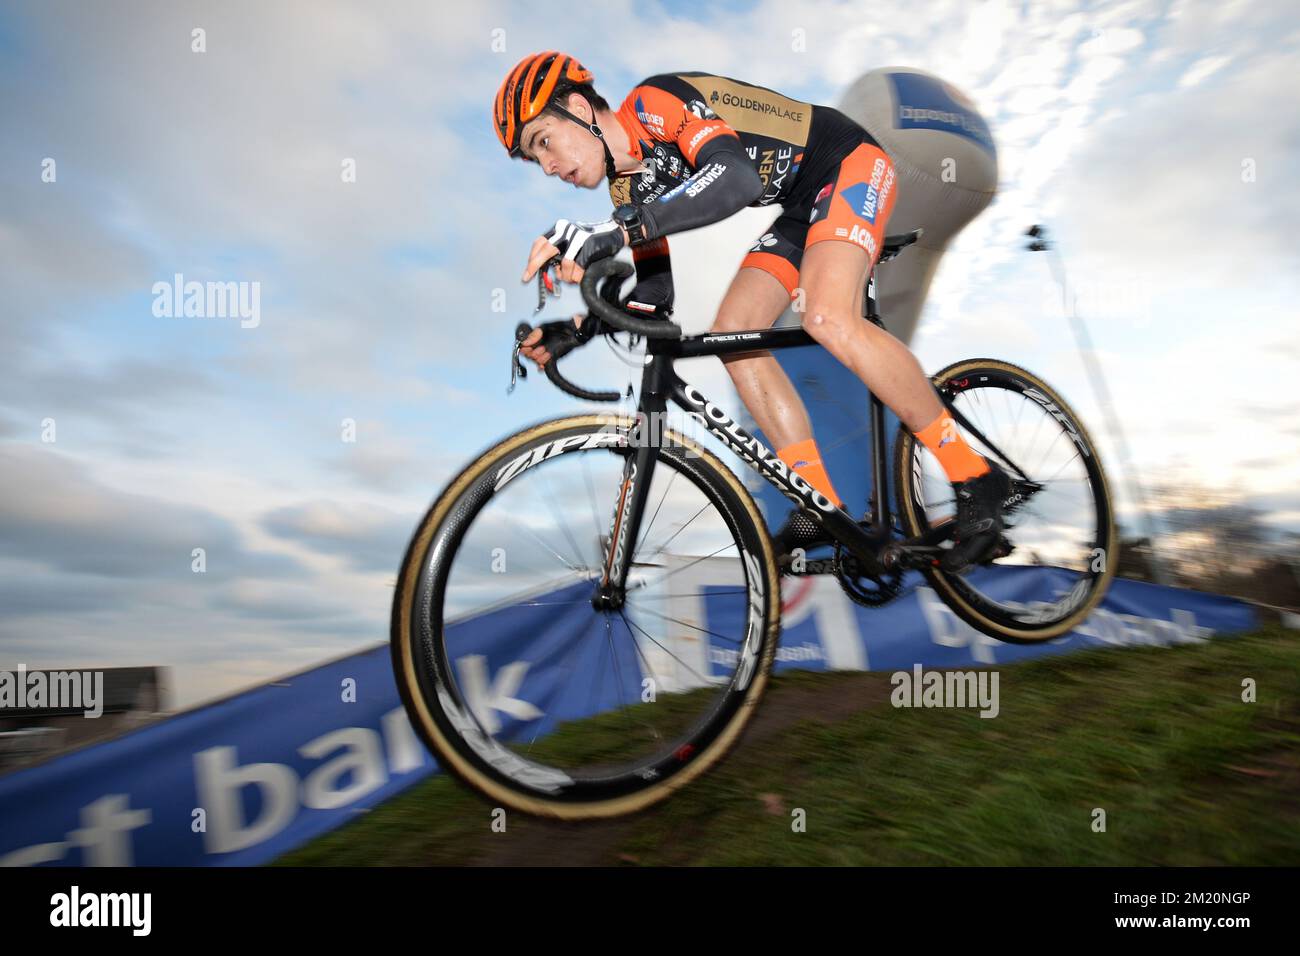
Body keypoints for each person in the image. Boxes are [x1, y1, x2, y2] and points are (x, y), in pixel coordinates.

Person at [496, 51, 1010, 571]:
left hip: (849, 161)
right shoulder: (629, 186)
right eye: (534, 159)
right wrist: (579, 328)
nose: (549, 166)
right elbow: (654, 292)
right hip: (799, 205)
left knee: (827, 317)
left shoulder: (654, 104)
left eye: (543, 141)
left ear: (581, 108)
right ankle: (818, 502)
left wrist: (620, 231)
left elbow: (734, 177)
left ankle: (975, 475)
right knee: (734, 335)